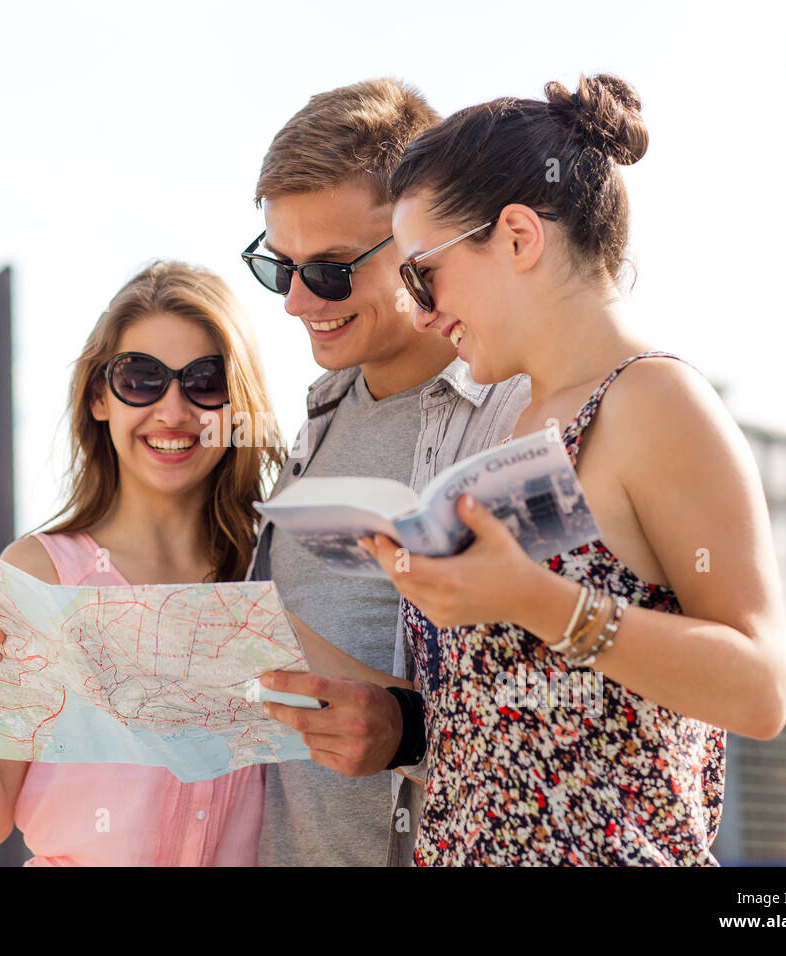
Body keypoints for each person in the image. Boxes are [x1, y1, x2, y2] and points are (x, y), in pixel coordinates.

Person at [349, 73, 786, 864]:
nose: (417, 312)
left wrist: (535, 599)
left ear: (518, 236)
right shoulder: (521, 423)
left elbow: (761, 689)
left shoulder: (655, 402)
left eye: (422, 274)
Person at [242, 78, 530, 866]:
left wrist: (410, 728)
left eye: (331, 271)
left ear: (416, 240)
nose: (298, 302)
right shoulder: (320, 417)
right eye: (280, 267)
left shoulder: (516, 420)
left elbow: (567, 713)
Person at [0, 260, 292, 865]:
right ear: (99, 397)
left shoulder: (271, 569)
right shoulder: (40, 575)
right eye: (142, 378)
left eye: (205, 380)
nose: (173, 411)